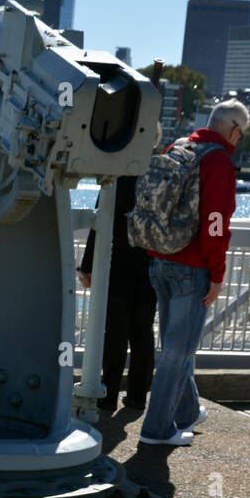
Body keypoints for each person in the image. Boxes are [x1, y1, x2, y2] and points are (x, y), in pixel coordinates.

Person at [138, 99, 249, 447]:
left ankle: (186, 413)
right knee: (178, 350)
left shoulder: (179, 146)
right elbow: (216, 223)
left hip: (159, 258)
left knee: (175, 344)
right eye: (241, 135)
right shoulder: (218, 161)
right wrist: (217, 273)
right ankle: (156, 430)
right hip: (192, 267)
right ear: (234, 130)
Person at [78, 128, 161, 412]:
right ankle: (137, 396)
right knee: (143, 332)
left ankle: (108, 394)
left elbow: (99, 221)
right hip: (151, 262)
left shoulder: (117, 172)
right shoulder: (162, 171)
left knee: (114, 331)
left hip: (117, 261)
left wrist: (88, 266)